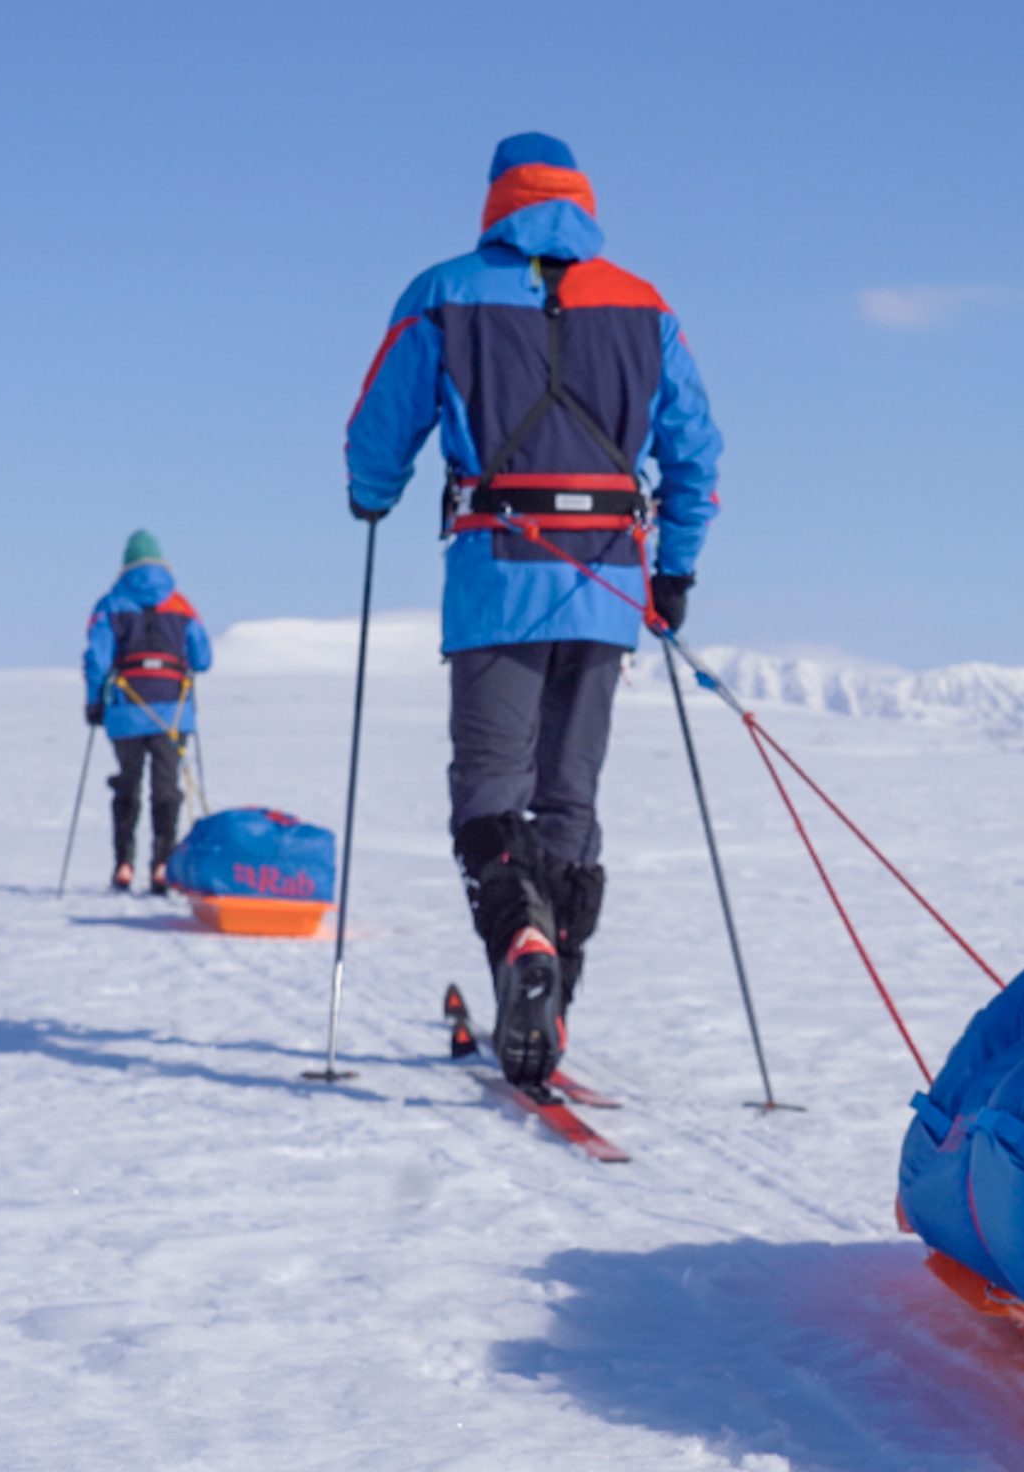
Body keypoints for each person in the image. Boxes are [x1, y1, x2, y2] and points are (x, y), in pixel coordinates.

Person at [345, 131, 724, 1087]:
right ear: (583, 201)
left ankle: (521, 941)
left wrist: (373, 491)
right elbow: (697, 451)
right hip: (608, 587)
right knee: (569, 800)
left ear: (495, 201)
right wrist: (671, 572)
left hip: (496, 583)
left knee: (488, 791)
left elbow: (377, 431)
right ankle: (551, 1011)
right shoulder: (646, 305)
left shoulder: (442, 290)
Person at [82, 530, 213, 893]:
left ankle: (123, 864)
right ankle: (162, 865)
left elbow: (97, 657)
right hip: (172, 712)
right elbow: (203, 659)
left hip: (126, 710)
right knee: (166, 787)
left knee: (128, 782)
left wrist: (94, 701)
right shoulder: (182, 606)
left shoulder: (110, 604)